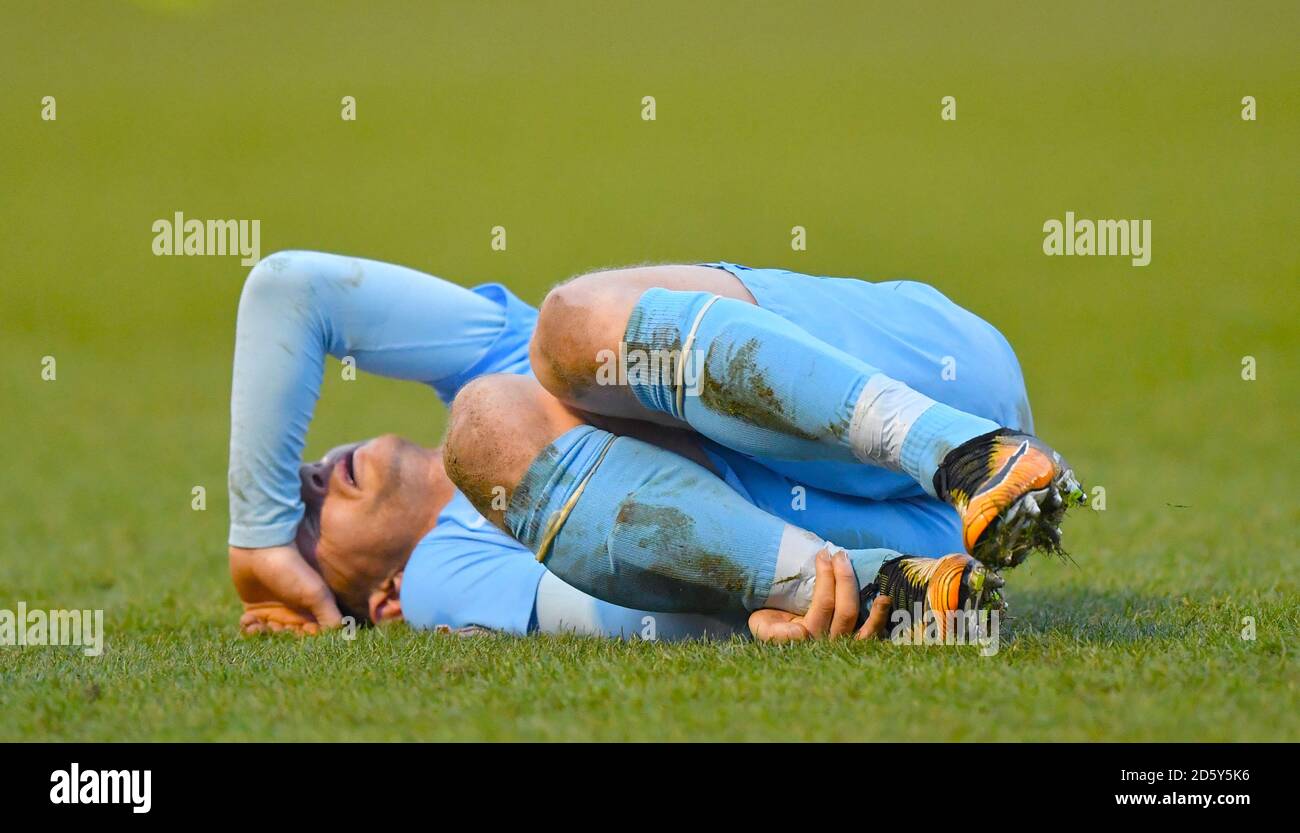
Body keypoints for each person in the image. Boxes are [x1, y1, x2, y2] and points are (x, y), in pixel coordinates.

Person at [227, 252, 1083, 642]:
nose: (304, 480)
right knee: (492, 418)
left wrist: (263, 533)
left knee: (558, 335)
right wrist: (785, 602)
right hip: (917, 556)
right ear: (384, 598)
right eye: (308, 526)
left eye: (288, 478)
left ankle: (965, 452)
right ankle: (884, 588)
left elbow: (289, 291)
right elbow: (623, 616)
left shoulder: (488, 356)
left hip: (919, 366)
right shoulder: (448, 571)